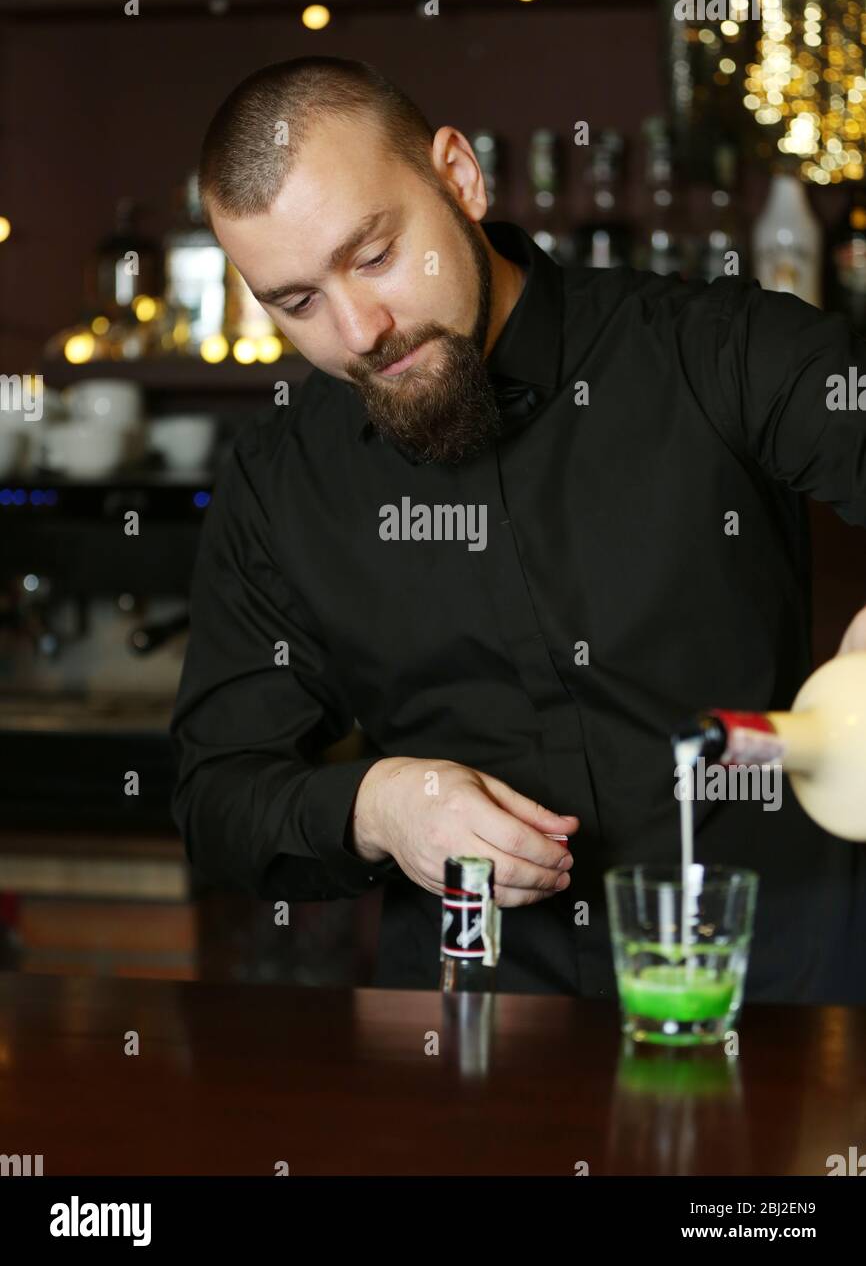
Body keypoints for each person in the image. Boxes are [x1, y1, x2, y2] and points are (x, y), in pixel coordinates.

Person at [171, 54, 866, 1001]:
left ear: (458, 177)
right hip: (479, 1036)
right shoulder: (279, 483)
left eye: (373, 256)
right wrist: (380, 807)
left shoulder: (714, 351)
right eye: (298, 303)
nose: (360, 329)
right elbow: (218, 798)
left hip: (787, 997)